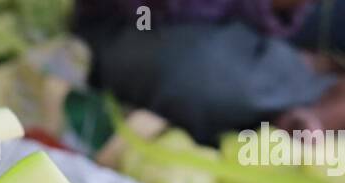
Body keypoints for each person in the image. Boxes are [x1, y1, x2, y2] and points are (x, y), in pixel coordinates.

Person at [76, 0, 345, 142]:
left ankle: (315, 102)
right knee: (198, 76)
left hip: (250, 25)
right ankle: (302, 89)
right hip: (143, 22)